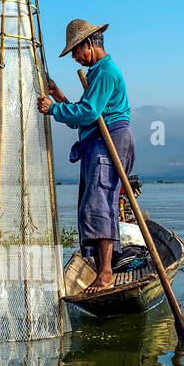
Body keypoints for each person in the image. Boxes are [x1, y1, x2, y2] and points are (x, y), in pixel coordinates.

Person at [36, 19, 133, 294]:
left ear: (88, 45)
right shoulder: (97, 74)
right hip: (99, 141)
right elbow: (85, 116)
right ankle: (104, 269)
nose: (75, 58)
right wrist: (59, 97)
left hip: (110, 141)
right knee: (95, 203)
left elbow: (89, 113)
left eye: (76, 51)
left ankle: (105, 276)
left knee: (98, 204)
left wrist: (53, 109)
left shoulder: (105, 72)